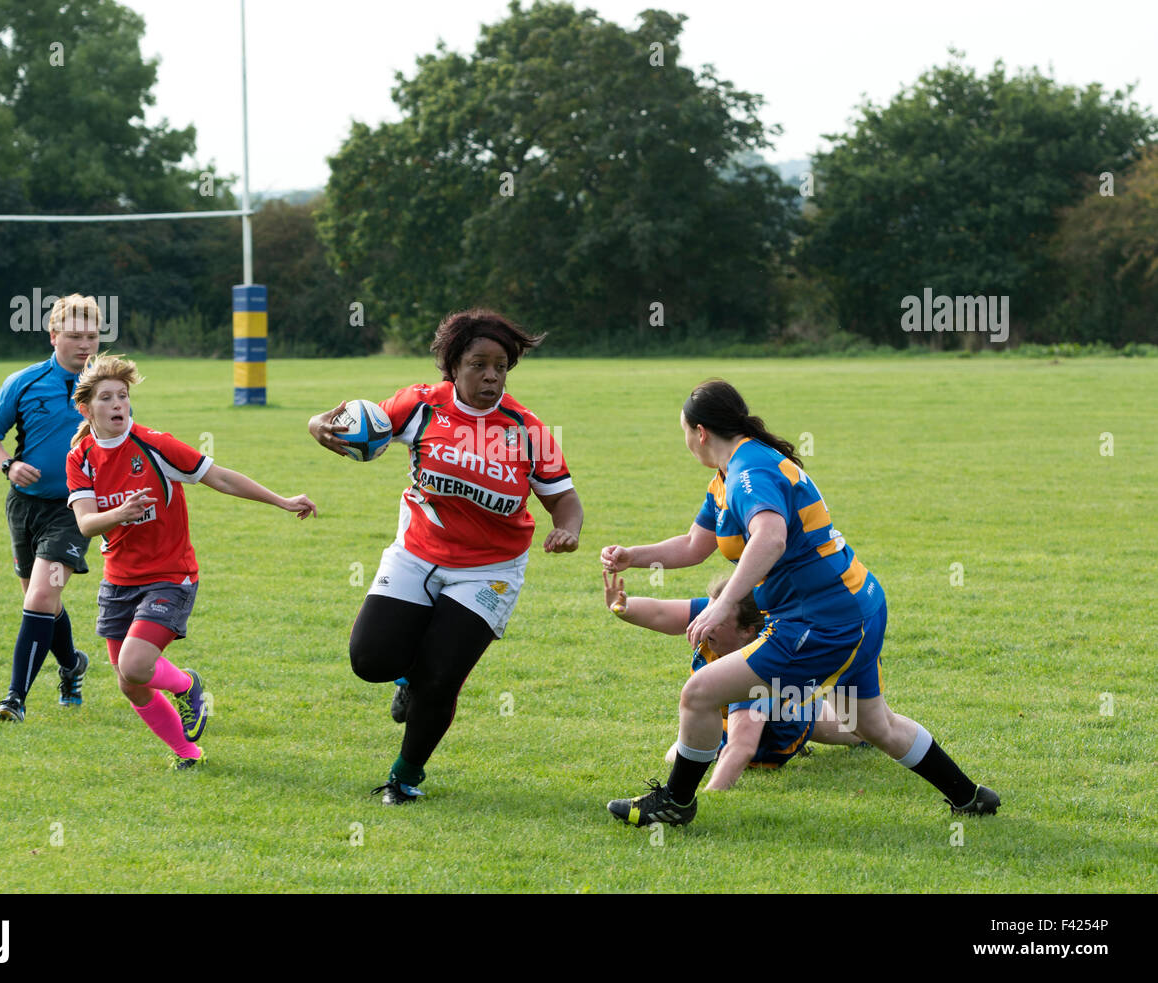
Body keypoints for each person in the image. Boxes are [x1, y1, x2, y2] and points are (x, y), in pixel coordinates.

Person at [602, 378, 998, 826]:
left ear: (701, 433)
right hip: (857, 603)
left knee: (699, 692)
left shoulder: (751, 471)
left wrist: (723, 603)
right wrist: (634, 557)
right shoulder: (732, 473)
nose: (686, 443)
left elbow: (770, 538)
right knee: (874, 725)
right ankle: (971, 798)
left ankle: (675, 804)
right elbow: (696, 544)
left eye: (684, 434)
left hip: (822, 621)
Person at [308, 308, 583, 804]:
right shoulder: (418, 406)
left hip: (490, 569)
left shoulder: (529, 430)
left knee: (442, 678)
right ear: (453, 364)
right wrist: (317, 426)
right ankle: (405, 678)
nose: (491, 376)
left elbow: (564, 499)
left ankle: (406, 776)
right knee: (370, 659)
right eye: (479, 363)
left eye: (501, 366)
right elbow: (344, 422)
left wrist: (567, 528)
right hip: (416, 553)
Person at [66, 354, 317, 769]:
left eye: (123, 397)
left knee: (135, 665)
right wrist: (119, 514)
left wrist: (281, 501)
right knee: (130, 684)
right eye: (106, 398)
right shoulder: (81, 458)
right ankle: (188, 752)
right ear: (85, 408)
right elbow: (87, 524)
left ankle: (185, 685)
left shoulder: (155, 444)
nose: (117, 406)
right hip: (118, 580)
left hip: (170, 576)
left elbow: (219, 477)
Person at [603, 571, 866, 791]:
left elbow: (741, 748)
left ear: (747, 632)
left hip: (784, 726)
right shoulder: (715, 614)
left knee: (860, 730)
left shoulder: (754, 673)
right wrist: (623, 607)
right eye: (708, 610)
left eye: (717, 619)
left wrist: (711, 795)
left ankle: (868, 732)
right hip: (777, 705)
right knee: (676, 754)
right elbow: (661, 612)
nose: (705, 621)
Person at [0, 294, 101, 722]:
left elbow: (118, 446)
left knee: (43, 593)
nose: (85, 345)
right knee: (39, 599)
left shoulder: (106, 388)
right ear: (53, 336)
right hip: (24, 507)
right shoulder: (24, 382)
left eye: (92, 336)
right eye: (74, 336)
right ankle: (72, 665)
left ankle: (14, 698)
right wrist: (8, 466)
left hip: (74, 509)